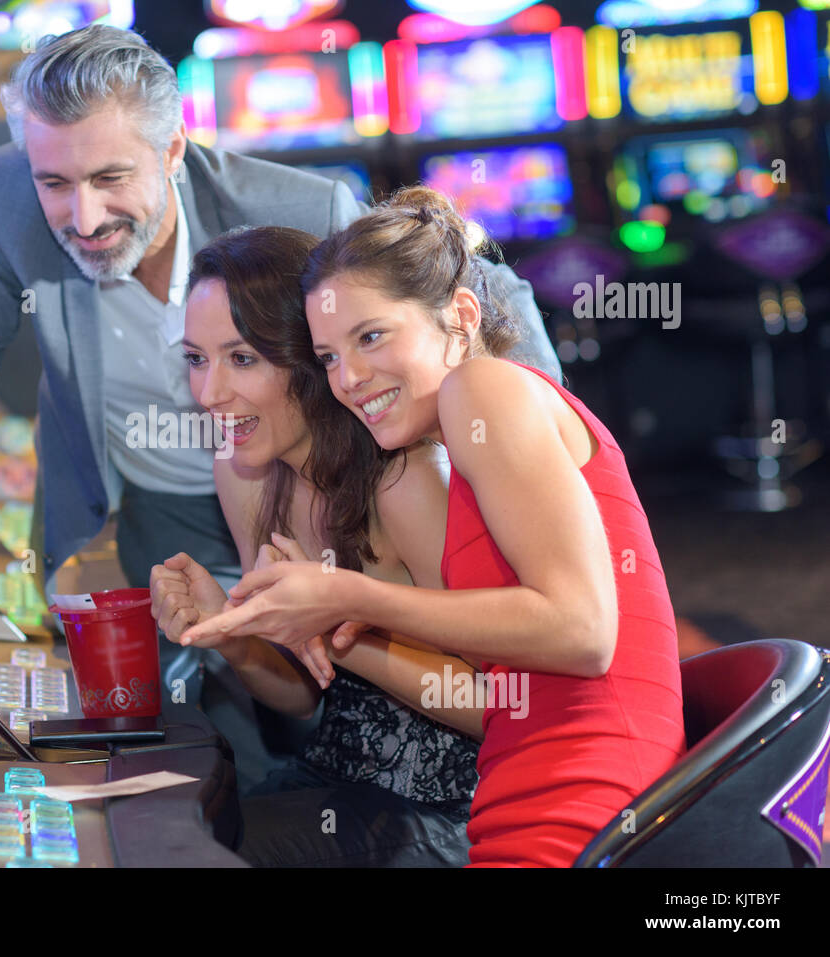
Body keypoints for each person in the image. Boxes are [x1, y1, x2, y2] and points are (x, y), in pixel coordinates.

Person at [0, 24, 558, 781]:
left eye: (110, 178)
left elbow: (486, 294)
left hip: (306, 497)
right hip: (159, 516)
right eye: (54, 183)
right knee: (206, 760)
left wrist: (532, 470)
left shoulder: (295, 207)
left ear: (171, 150)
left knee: (333, 726)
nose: (84, 219)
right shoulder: (4, 199)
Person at [181, 188, 688, 867]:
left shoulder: (481, 390)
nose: (349, 378)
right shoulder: (466, 429)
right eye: (329, 357)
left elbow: (585, 635)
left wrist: (343, 602)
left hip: (589, 792)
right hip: (528, 778)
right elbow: (515, 675)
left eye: (371, 337)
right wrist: (256, 627)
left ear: (462, 316)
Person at [152, 226, 483, 866]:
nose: (209, 393)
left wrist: (334, 628)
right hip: (332, 778)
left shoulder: (405, 477)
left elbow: (492, 705)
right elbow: (302, 694)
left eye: (241, 359)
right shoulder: (244, 474)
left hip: (449, 807)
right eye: (195, 359)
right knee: (158, 834)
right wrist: (231, 632)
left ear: (308, 357)